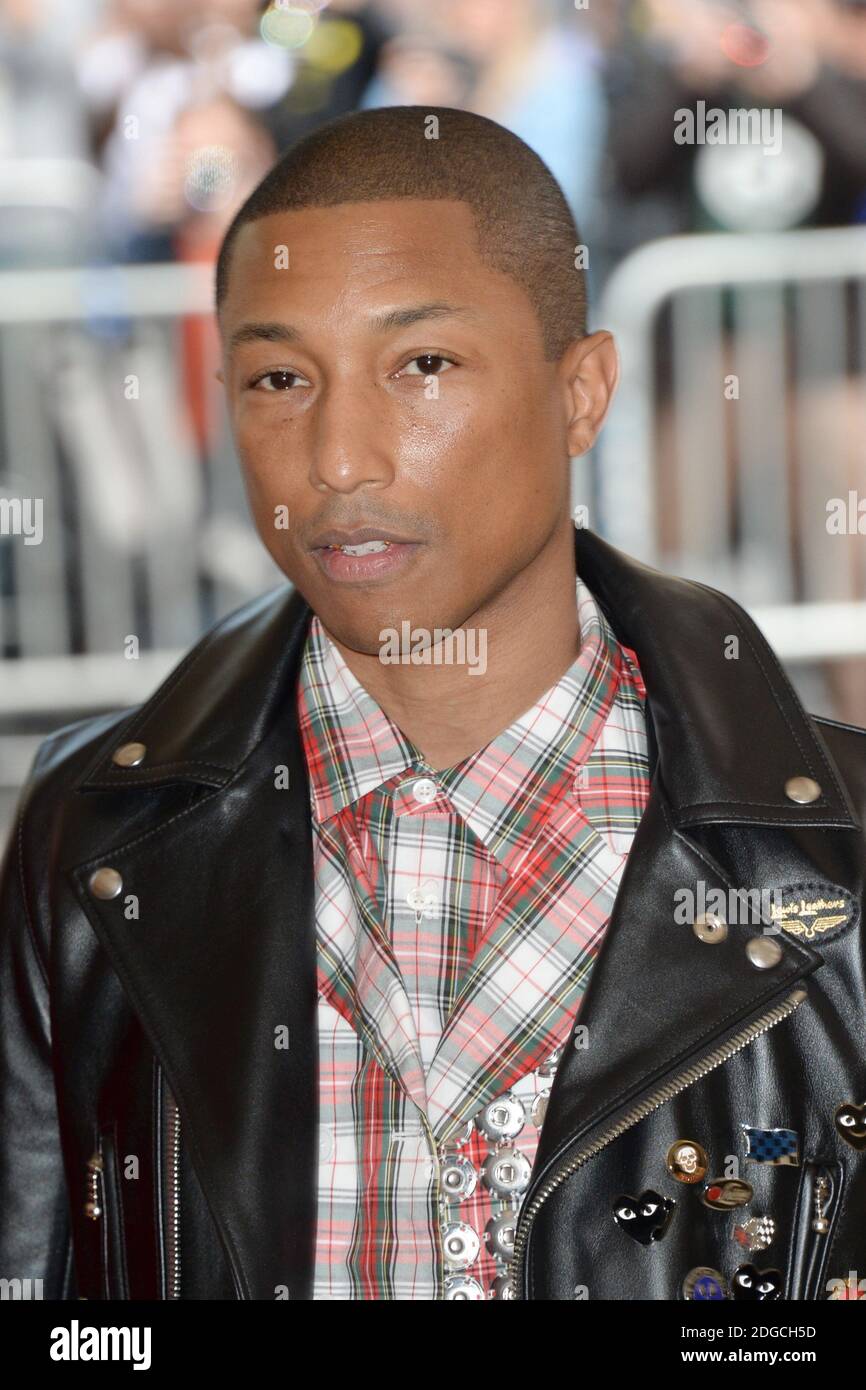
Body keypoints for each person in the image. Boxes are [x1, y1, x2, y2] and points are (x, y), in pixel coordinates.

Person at [1, 105, 864, 1302]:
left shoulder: (831, 851)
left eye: (422, 365)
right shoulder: (95, 834)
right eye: (278, 377)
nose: (338, 457)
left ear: (580, 392)